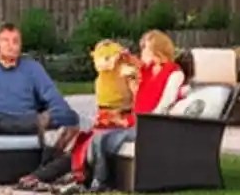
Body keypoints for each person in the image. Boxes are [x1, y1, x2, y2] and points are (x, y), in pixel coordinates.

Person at [71, 29, 184, 193]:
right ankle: (95, 180)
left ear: (157, 51)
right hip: (136, 122)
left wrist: (145, 119)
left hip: (152, 124)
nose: (142, 52)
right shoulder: (146, 71)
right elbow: (131, 76)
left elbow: (165, 104)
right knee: (97, 138)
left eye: (145, 48)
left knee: (103, 139)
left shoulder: (174, 73)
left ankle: (99, 181)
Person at [0, 23, 79, 132]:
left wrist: (53, 115)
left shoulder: (33, 69)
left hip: (29, 122)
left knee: (70, 117)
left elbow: (55, 99)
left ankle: (45, 145)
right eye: (6, 40)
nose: (11, 46)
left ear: (21, 45)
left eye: (15, 41)